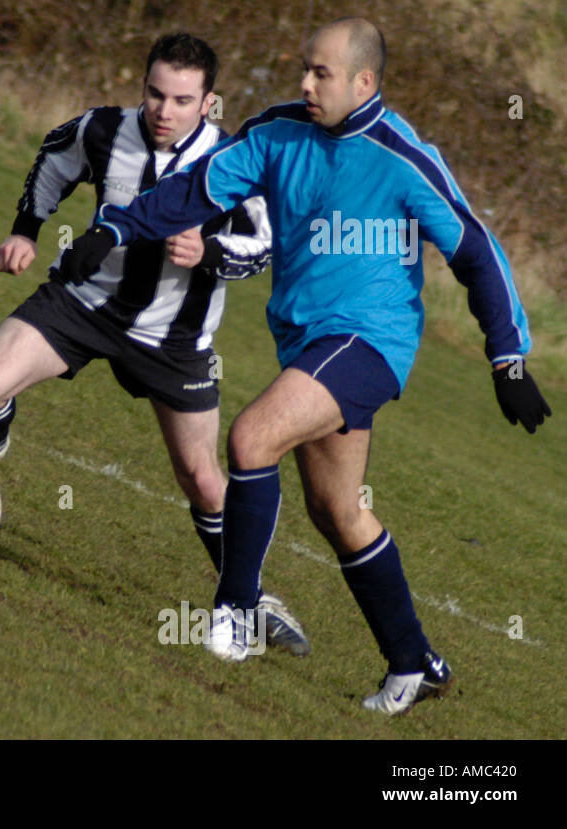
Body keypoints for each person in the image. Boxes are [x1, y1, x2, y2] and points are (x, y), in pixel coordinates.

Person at [59, 17, 551, 714]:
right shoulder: (278, 131)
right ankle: (415, 661)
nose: (304, 83)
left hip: (370, 343)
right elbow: (196, 192)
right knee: (338, 510)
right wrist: (115, 226)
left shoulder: (403, 157)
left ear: (364, 82)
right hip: (306, 340)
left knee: (250, 438)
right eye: (304, 69)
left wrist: (508, 357)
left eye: (320, 73)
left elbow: (475, 250)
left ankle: (232, 612)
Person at [0, 32, 311, 656]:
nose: (164, 110)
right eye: (154, 93)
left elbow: (265, 243)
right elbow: (54, 159)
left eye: (181, 99)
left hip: (174, 338)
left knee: (203, 480)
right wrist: (26, 231)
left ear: (208, 103)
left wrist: (211, 252)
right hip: (81, 304)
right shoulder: (103, 130)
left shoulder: (233, 161)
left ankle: (250, 598)